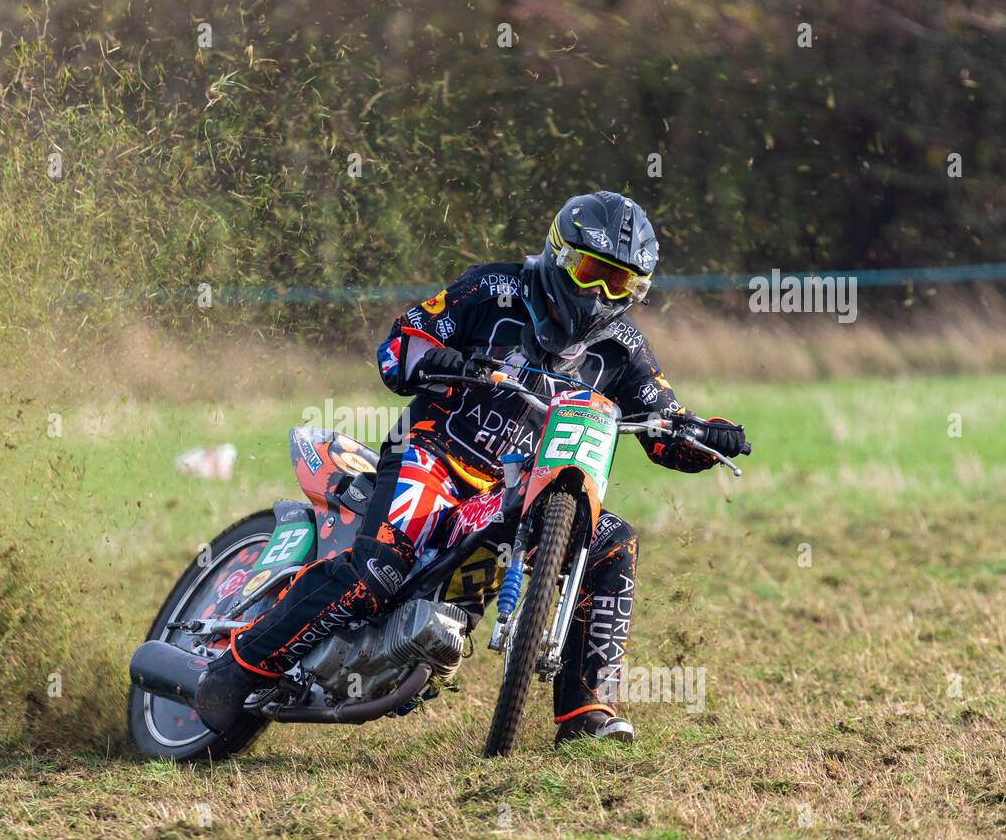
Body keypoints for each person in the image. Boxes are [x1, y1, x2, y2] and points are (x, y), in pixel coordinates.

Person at [197, 191, 746, 745]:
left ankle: (586, 713)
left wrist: (702, 434)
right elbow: (398, 346)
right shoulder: (491, 288)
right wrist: (443, 359)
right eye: (592, 271)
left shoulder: (625, 349)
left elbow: (664, 424)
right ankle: (241, 666)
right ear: (559, 255)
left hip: (521, 488)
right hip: (433, 457)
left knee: (613, 542)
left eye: (621, 284)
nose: (602, 294)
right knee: (378, 571)